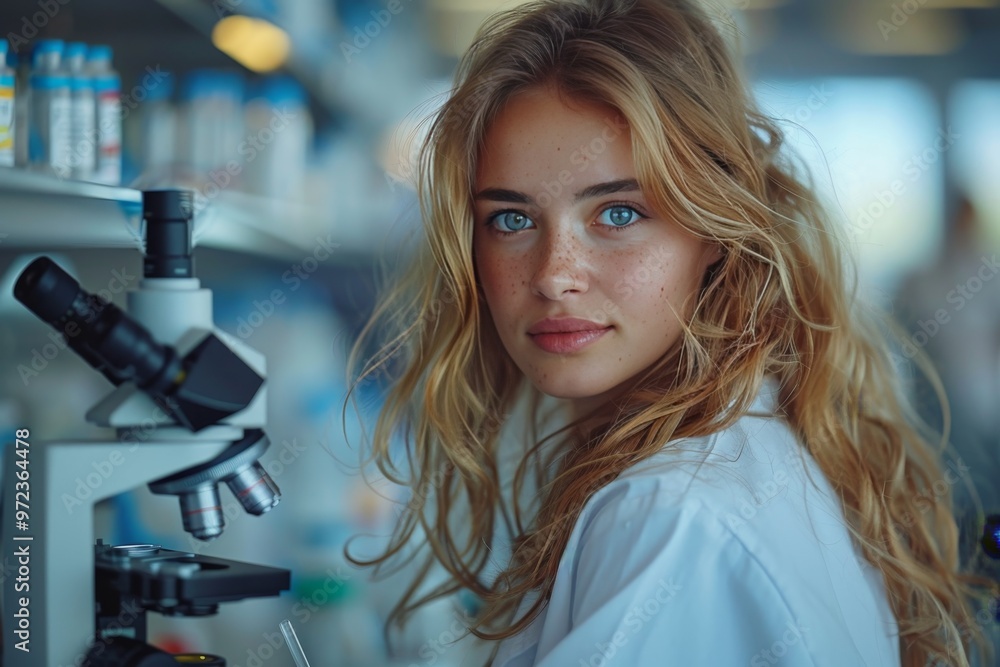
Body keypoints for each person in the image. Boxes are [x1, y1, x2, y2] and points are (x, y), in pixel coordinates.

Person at [343, 1, 999, 665]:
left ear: (714, 228)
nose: (554, 276)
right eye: (512, 220)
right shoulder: (729, 442)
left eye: (618, 213)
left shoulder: (667, 516)